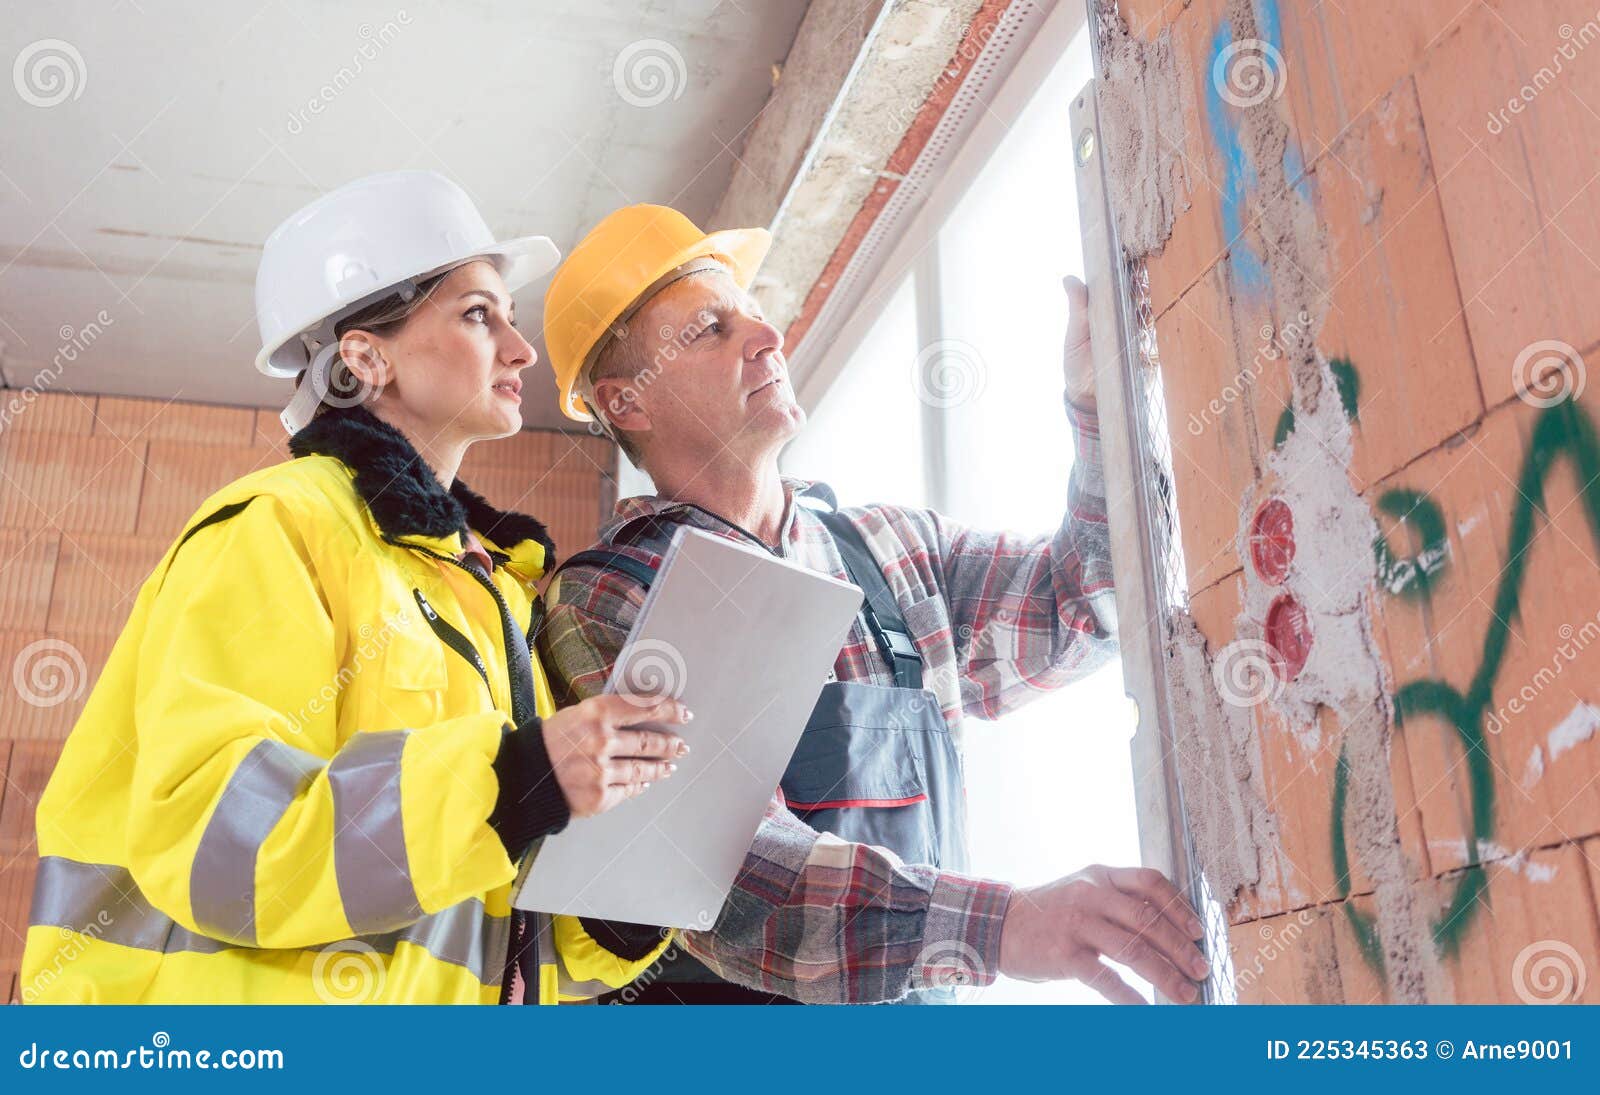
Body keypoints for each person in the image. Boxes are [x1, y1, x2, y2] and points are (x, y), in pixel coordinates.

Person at [21, 172, 688, 1005]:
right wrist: (511, 779)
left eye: (511, 320)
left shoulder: (493, 590)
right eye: (479, 314)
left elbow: (481, 911)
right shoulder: (275, 524)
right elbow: (221, 840)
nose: (521, 351)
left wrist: (614, 913)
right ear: (365, 357)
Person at [535, 204, 1210, 1005]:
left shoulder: (894, 551)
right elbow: (729, 879)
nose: (766, 338)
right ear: (627, 403)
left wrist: (1103, 413)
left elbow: (1082, 608)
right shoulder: (606, 597)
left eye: (755, 315)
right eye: (710, 329)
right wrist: (1002, 925)